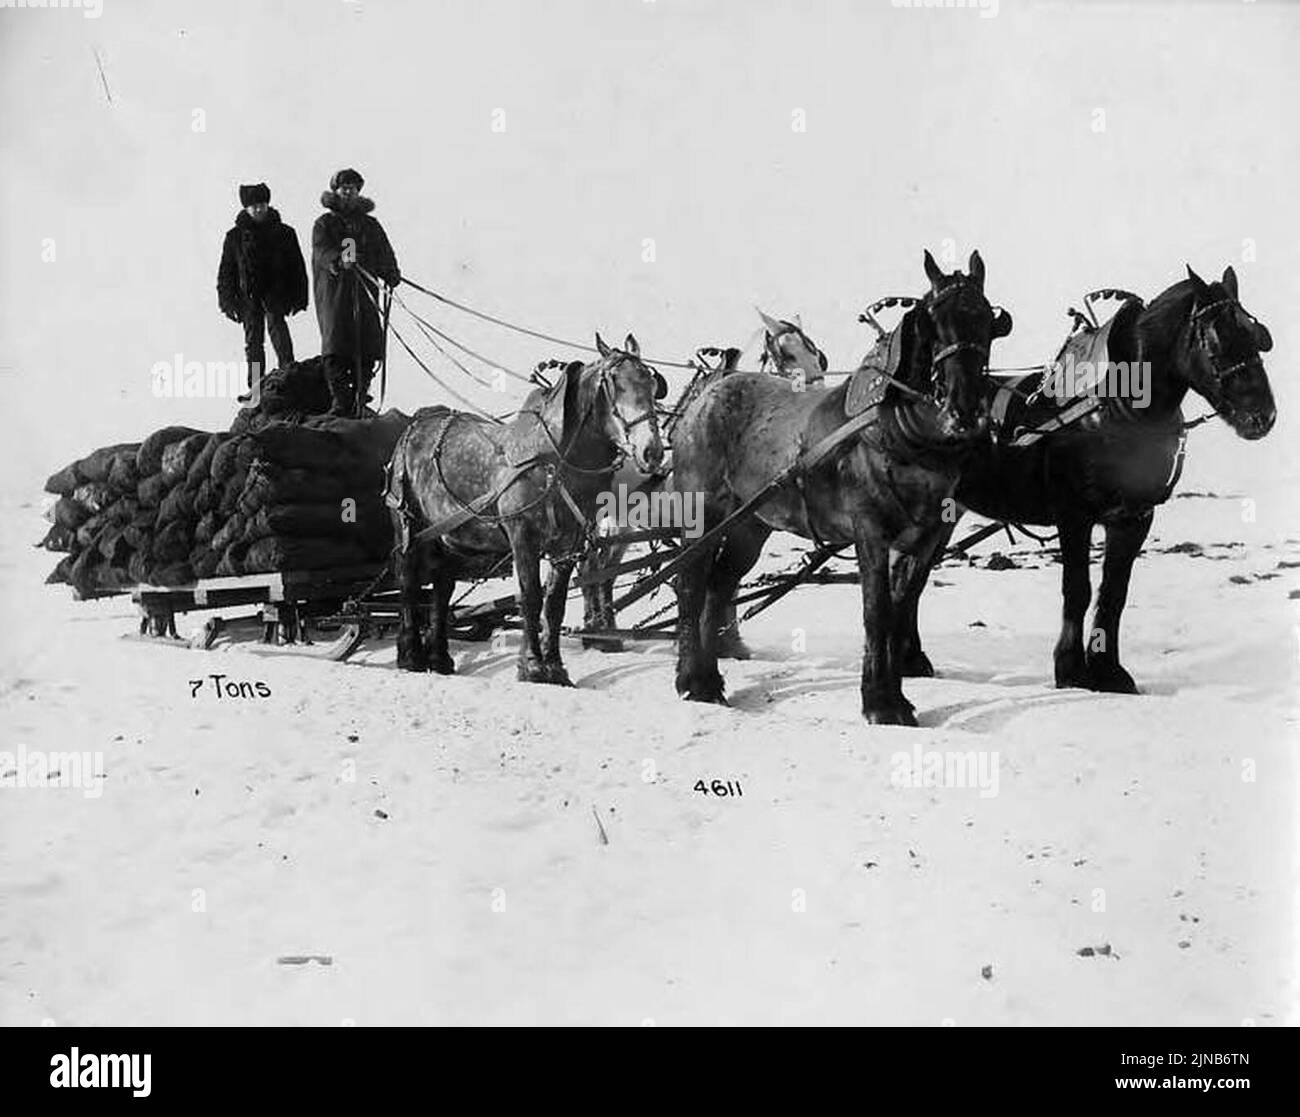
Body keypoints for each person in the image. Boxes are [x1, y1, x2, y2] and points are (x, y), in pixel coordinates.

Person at [312, 168, 401, 416]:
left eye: (353, 187)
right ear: (336, 191)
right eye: (344, 188)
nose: (348, 192)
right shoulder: (325, 224)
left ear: (358, 191)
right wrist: (338, 260)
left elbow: (384, 251)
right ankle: (341, 400)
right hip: (336, 295)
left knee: (368, 341)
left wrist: (391, 272)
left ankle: (362, 394)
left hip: (364, 293)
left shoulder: (370, 225)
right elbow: (321, 251)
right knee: (336, 344)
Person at [216, 183, 309, 402]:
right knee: (254, 342)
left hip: (276, 294)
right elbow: (226, 272)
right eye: (253, 206)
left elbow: (297, 267)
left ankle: (288, 375)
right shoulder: (235, 237)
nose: (259, 209)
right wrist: (227, 302)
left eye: (262, 204)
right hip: (248, 298)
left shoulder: (285, 233)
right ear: (246, 208)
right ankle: (256, 388)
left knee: (279, 332)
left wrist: (299, 296)